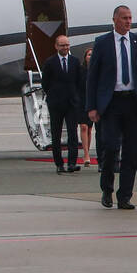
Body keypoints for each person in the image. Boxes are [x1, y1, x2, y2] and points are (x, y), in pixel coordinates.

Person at [85, 5, 137, 209]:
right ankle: (107, 189)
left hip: (133, 102)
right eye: (124, 18)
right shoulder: (102, 43)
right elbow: (93, 78)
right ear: (114, 19)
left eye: (130, 18)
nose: (128, 21)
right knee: (111, 148)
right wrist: (92, 107)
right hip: (111, 103)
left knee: (132, 151)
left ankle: (125, 196)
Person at [41, 35, 84, 174]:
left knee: (73, 133)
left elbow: (79, 81)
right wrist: (54, 95)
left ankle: (72, 163)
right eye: (62, 45)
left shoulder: (74, 61)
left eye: (67, 45)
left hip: (71, 103)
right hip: (56, 104)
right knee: (56, 133)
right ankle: (59, 163)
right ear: (56, 46)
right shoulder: (50, 62)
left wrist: (76, 97)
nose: (65, 48)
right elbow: (45, 83)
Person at [79, 48, 95, 167]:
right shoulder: (81, 70)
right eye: (89, 55)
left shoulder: (97, 70)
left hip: (93, 102)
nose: (90, 56)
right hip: (82, 101)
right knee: (83, 126)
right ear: (85, 57)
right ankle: (85, 155)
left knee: (89, 129)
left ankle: (87, 151)